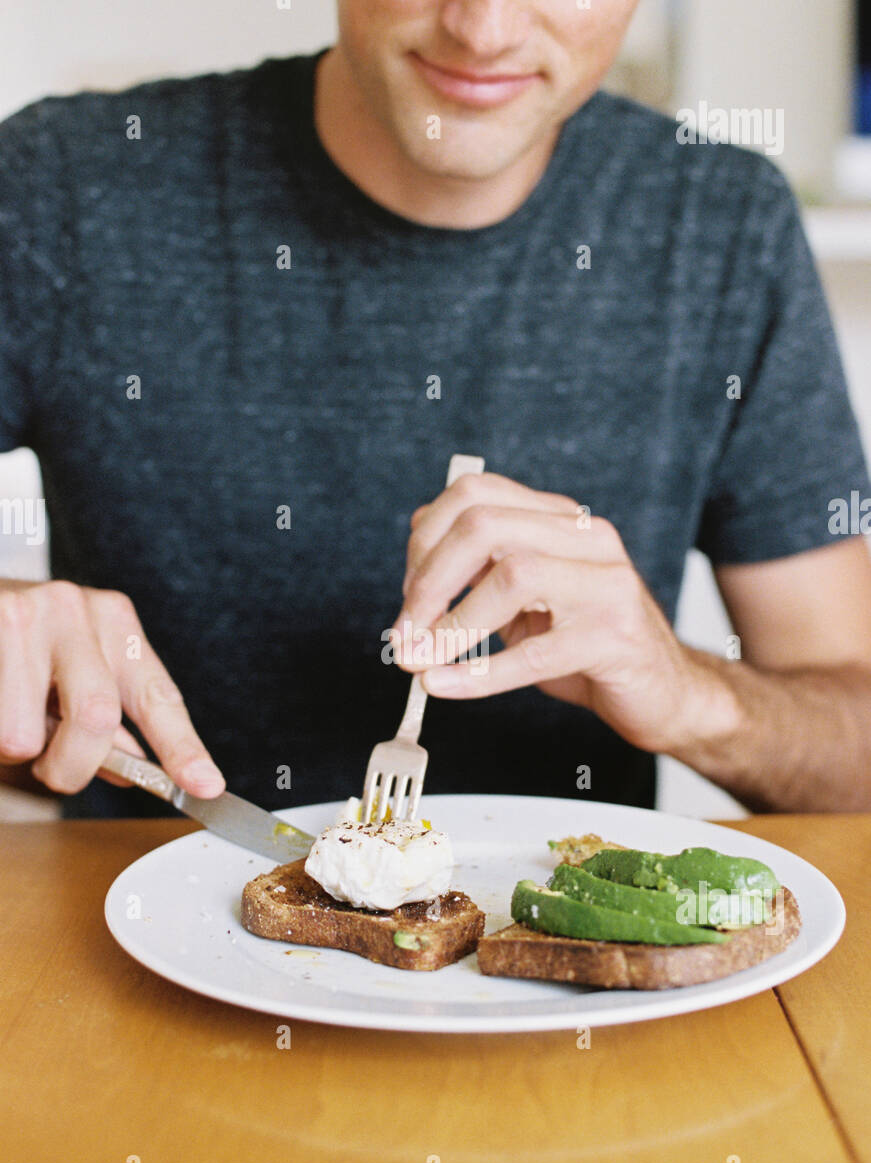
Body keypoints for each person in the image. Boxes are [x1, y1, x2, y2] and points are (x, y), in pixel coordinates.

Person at [1, 0, 870, 820]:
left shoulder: (723, 226)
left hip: (559, 970)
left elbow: (853, 753)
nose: (481, 31)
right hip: (125, 953)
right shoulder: (62, 187)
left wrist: (689, 696)